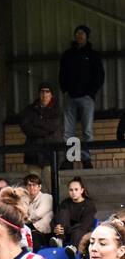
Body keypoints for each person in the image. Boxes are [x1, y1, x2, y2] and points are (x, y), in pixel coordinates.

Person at [60, 25, 105, 169]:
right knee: (69, 131)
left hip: (86, 98)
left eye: (82, 33)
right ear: (75, 36)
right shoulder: (67, 54)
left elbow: (99, 76)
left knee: (87, 130)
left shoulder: (93, 55)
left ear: (87, 36)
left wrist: (91, 93)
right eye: (77, 33)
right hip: (70, 97)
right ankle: (70, 159)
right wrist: (65, 90)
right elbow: (62, 74)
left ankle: (86, 160)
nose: (79, 35)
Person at [19, 84, 62, 187]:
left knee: (53, 185)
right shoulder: (30, 109)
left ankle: (55, 204)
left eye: (47, 91)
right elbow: (25, 126)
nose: (44, 94)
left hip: (50, 154)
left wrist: (36, 122)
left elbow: (53, 126)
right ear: (39, 94)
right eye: (42, 91)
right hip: (33, 153)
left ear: (51, 95)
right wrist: (44, 131)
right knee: (31, 186)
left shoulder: (57, 110)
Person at [52, 178, 96, 259]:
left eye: (76, 189)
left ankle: (73, 248)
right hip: (64, 232)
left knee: (78, 231)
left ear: (82, 190)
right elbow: (56, 218)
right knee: (63, 213)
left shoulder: (89, 205)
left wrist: (67, 229)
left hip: (80, 232)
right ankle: (59, 240)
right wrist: (56, 228)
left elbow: (85, 225)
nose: (73, 192)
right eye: (71, 190)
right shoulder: (65, 203)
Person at [24, 173, 55, 246]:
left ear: (39, 186)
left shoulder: (46, 197)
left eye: (34, 185)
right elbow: (21, 214)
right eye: (29, 185)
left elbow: (38, 214)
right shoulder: (25, 199)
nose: (31, 187)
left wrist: (26, 219)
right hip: (29, 229)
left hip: (43, 233)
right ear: (26, 187)